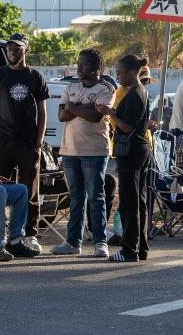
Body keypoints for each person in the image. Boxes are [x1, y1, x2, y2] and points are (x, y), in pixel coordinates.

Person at [0, 33, 48, 257]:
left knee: (29, 191)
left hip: (27, 143)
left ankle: (28, 234)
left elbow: (42, 112)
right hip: (3, 142)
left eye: (17, 48)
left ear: (26, 50)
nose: (12, 51)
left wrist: (38, 142)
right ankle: (0, 237)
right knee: (0, 191)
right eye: (10, 47)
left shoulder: (35, 76)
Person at [54, 48, 114, 258]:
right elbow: (61, 115)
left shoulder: (106, 88)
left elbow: (96, 117)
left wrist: (73, 107)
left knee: (96, 197)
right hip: (70, 150)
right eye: (78, 63)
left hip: (94, 151)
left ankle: (100, 242)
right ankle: (73, 242)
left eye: (84, 64)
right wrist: (83, 107)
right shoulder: (71, 86)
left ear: (96, 68)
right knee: (76, 198)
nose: (79, 67)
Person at [98, 54, 152, 262]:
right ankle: (141, 248)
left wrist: (110, 113)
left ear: (131, 72)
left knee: (130, 203)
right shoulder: (140, 91)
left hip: (131, 151)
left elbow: (127, 126)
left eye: (119, 73)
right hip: (140, 149)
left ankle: (129, 250)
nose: (117, 76)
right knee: (140, 201)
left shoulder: (134, 95)